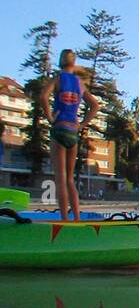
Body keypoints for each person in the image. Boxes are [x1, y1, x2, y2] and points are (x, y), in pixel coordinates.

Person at [39, 50, 98, 222]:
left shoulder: (58, 79)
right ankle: (77, 218)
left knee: (61, 178)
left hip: (59, 128)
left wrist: (50, 117)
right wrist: (82, 124)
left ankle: (64, 219)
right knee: (70, 179)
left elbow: (43, 96)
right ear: (74, 63)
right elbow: (95, 105)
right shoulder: (79, 83)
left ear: (61, 61)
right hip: (73, 130)